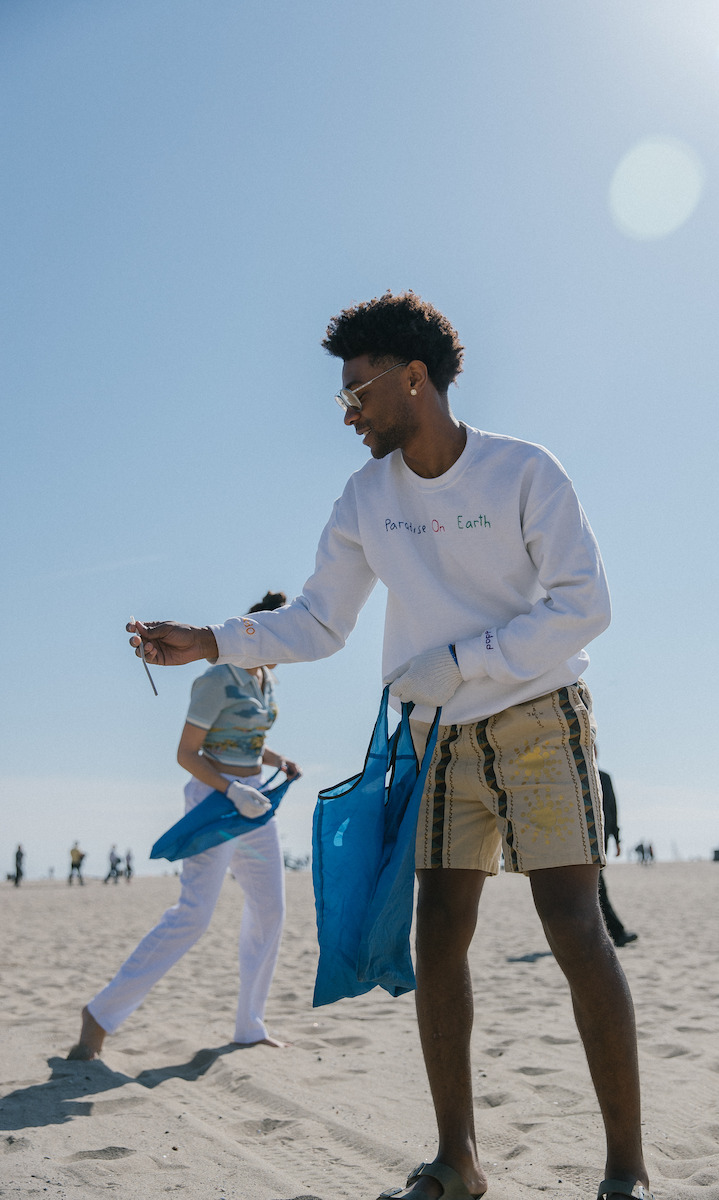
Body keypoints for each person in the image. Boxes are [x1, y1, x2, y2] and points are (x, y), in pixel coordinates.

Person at [127, 294, 651, 1200]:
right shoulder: (367, 497)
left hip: (539, 716)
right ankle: (459, 1160)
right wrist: (213, 641)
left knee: (573, 926)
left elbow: (583, 605)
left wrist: (467, 662)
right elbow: (320, 620)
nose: (349, 412)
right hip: (434, 738)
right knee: (438, 936)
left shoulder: (523, 471)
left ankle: (626, 1171)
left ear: (416, 378)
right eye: (343, 398)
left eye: (357, 390)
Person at [68, 591, 301, 1062]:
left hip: (255, 805)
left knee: (271, 910)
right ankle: (98, 1017)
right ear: (255, 632)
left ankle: (249, 1025)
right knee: (194, 915)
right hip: (214, 801)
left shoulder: (267, 677)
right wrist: (233, 790)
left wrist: (276, 760)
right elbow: (187, 754)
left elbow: (243, 738)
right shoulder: (217, 677)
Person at [596, 760, 638, 949]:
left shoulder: (604, 777)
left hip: (600, 841)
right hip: (582, 842)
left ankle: (613, 933)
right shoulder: (572, 777)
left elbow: (612, 810)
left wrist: (617, 839)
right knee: (597, 889)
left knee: (596, 888)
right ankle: (617, 933)